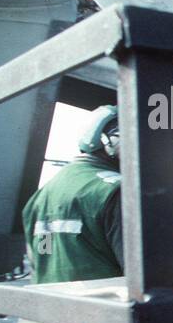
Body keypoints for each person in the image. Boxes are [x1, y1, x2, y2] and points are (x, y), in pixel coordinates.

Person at [21, 105, 124, 284]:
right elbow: (150, 278)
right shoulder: (118, 192)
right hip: (104, 308)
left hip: (50, 307)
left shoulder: (40, 196)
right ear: (109, 142)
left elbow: (45, 254)